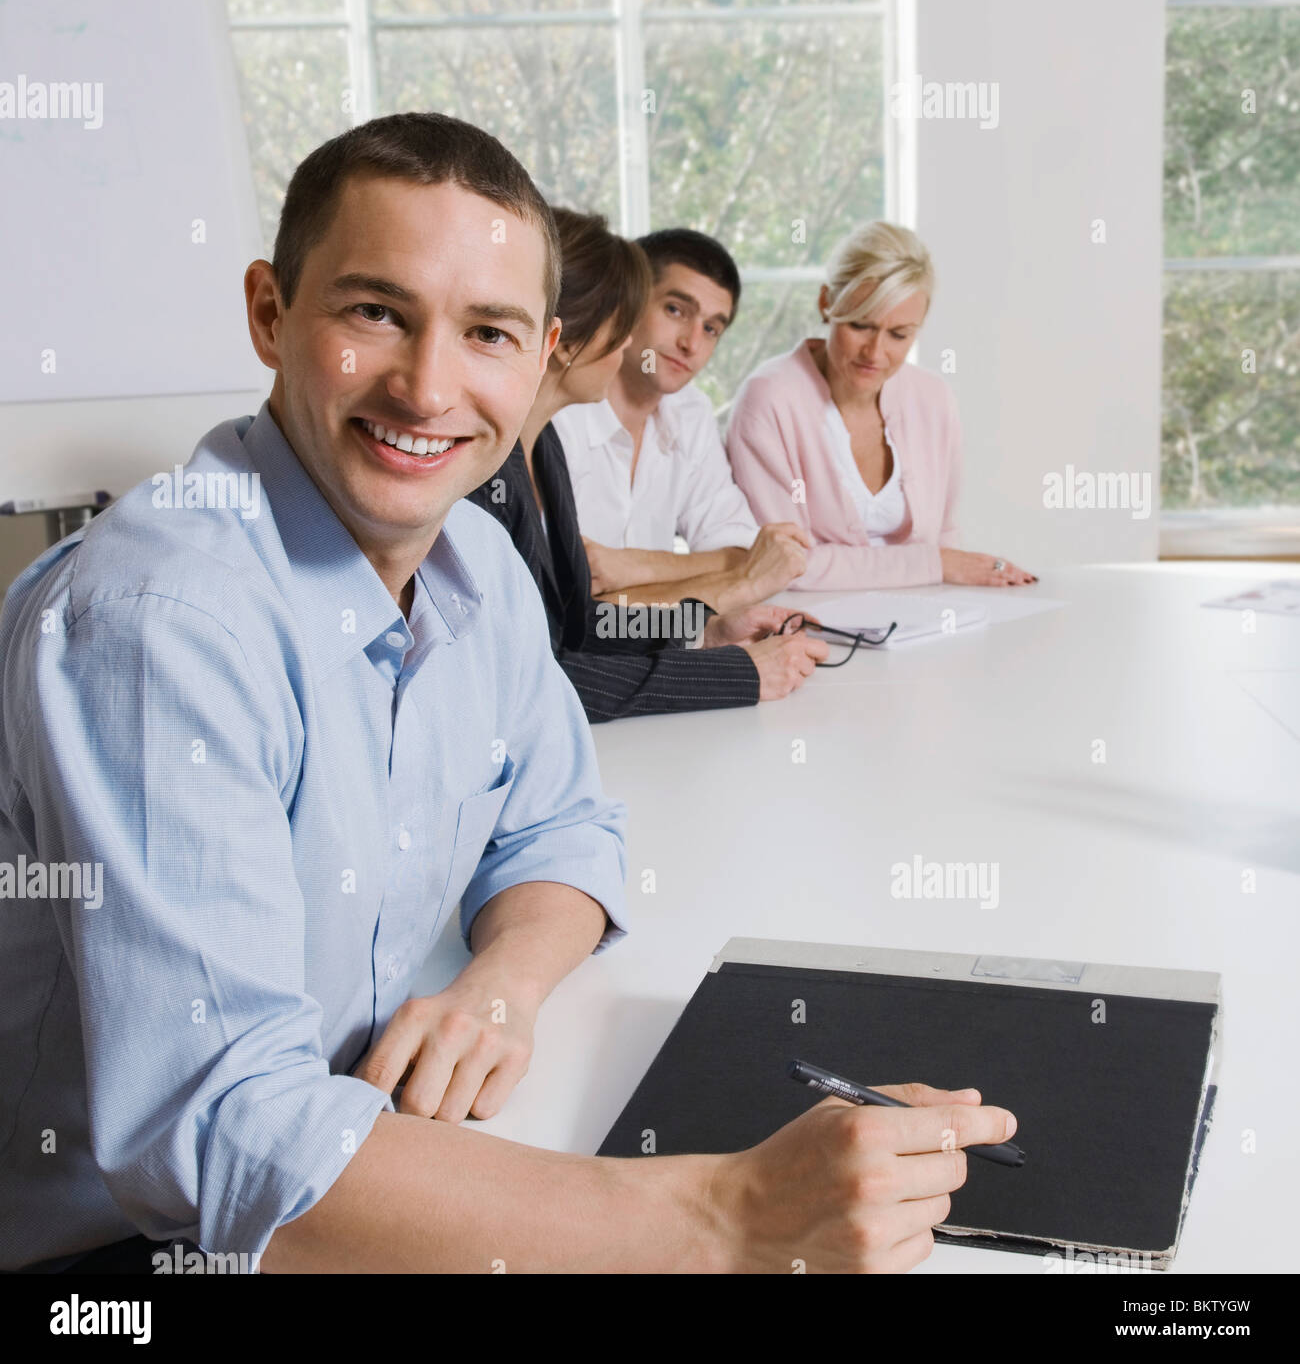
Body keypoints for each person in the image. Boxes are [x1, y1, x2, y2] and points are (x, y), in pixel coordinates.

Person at [0, 114, 1016, 1275]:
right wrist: (725, 1216)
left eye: (486, 331)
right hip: (120, 1254)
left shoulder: (475, 564)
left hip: (357, 1145)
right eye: (375, 312)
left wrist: (501, 983)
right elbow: (221, 1141)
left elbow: (561, 828)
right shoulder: (158, 623)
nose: (429, 385)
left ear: (541, 358)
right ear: (271, 315)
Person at [467, 208, 827, 721]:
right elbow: (541, 674)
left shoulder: (541, 448)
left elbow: (583, 625)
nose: (624, 350)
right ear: (565, 340)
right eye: (619, 329)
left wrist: (703, 632)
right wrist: (741, 673)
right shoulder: (486, 468)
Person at [726, 221, 1035, 591]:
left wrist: (953, 599)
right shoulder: (768, 402)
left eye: (899, 335)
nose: (875, 353)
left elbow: (946, 536)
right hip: (809, 626)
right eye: (860, 325)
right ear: (827, 303)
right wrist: (935, 563)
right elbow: (787, 564)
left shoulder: (933, 399)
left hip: (919, 616)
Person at [552, 227, 812, 611]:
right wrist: (726, 578)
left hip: (657, 646)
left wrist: (631, 566)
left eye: (711, 328)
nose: (692, 343)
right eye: (675, 310)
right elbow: (572, 608)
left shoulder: (690, 412)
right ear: (628, 304)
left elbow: (741, 550)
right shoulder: (561, 411)